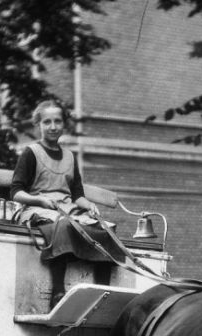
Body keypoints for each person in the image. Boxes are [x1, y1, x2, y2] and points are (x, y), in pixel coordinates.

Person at [11, 99, 121, 308]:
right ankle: (58, 292)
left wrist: (87, 205)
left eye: (58, 121)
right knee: (63, 226)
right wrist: (40, 200)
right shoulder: (31, 153)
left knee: (104, 230)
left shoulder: (70, 157)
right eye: (47, 122)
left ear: (64, 124)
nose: (53, 127)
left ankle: (103, 293)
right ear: (38, 124)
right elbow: (16, 192)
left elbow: (77, 194)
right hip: (36, 209)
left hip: (66, 208)